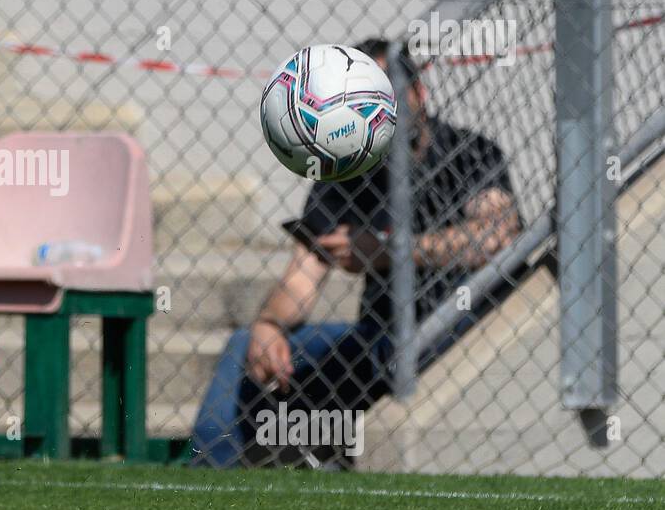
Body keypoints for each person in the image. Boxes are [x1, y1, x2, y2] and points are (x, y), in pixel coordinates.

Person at [190, 39, 522, 469]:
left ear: (418, 94)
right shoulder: (347, 166)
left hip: (455, 329)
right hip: (377, 336)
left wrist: (391, 252)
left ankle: (317, 455)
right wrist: (269, 325)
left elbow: (498, 235)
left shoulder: (468, 152)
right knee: (243, 346)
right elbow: (301, 277)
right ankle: (205, 482)